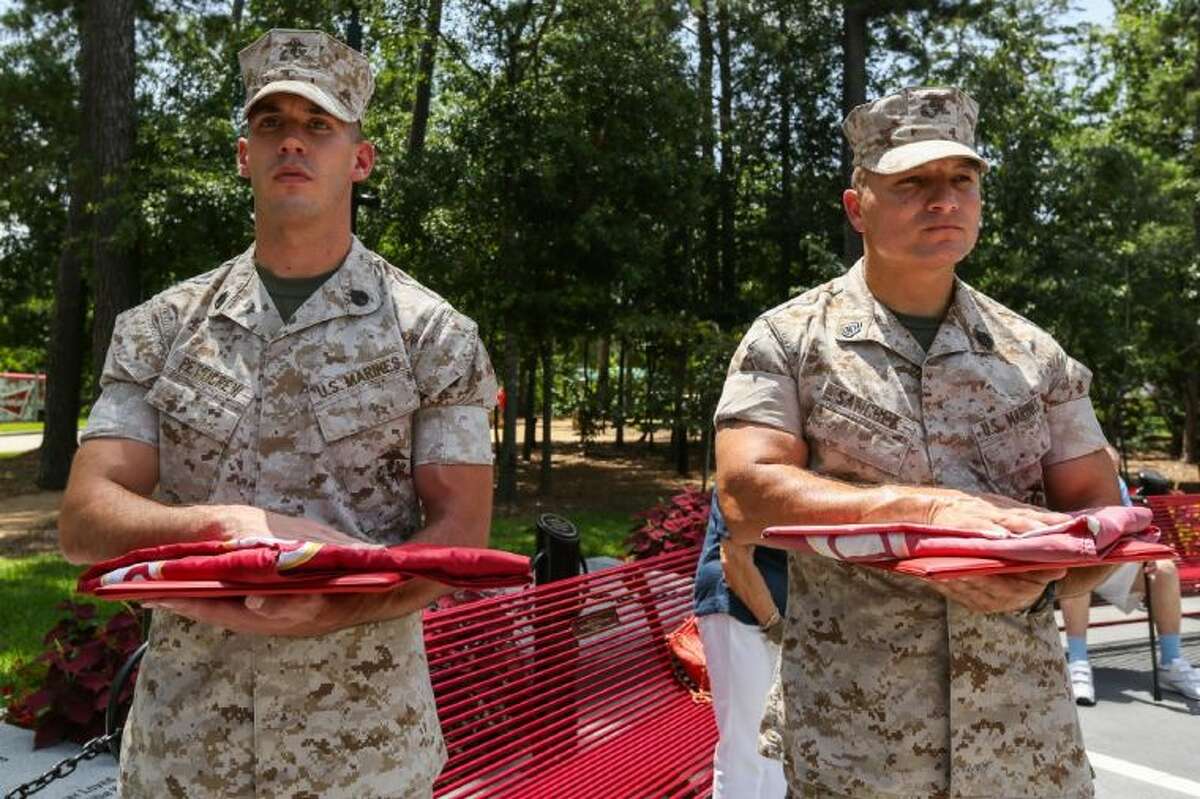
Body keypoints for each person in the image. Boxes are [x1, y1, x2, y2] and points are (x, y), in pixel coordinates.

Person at [58, 29, 497, 797]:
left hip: (365, 756)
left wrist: (333, 607)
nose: (292, 140)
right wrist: (224, 527)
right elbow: (84, 520)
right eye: (271, 124)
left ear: (359, 160)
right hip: (188, 754)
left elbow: (460, 535)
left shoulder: (434, 335)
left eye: (319, 125)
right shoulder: (160, 328)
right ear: (243, 156)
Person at [715, 86, 1123, 799]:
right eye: (913, 182)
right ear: (856, 206)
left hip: (1022, 745)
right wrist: (931, 514)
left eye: (962, 180)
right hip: (859, 745)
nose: (945, 200)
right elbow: (746, 493)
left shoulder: (1034, 354)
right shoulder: (788, 339)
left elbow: (1097, 514)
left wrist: (1041, 573)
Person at [1061, 446, 1200, 704]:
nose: (1110, 479)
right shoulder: (1066, 486)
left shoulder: (1118, 486)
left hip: (1116, 563)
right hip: (1078, 563)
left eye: (1113, 473)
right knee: (1076, 568)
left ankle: (1170, 663)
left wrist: (1143, 553)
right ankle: (1078, 663)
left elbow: (1134, 529)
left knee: (1165, 568)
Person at [693, 493, 788, 798]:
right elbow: (733, 557)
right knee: (746, 752)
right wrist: (774, 623)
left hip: (778, 616)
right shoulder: (747, 451)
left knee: (776, 750)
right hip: (741, 610)